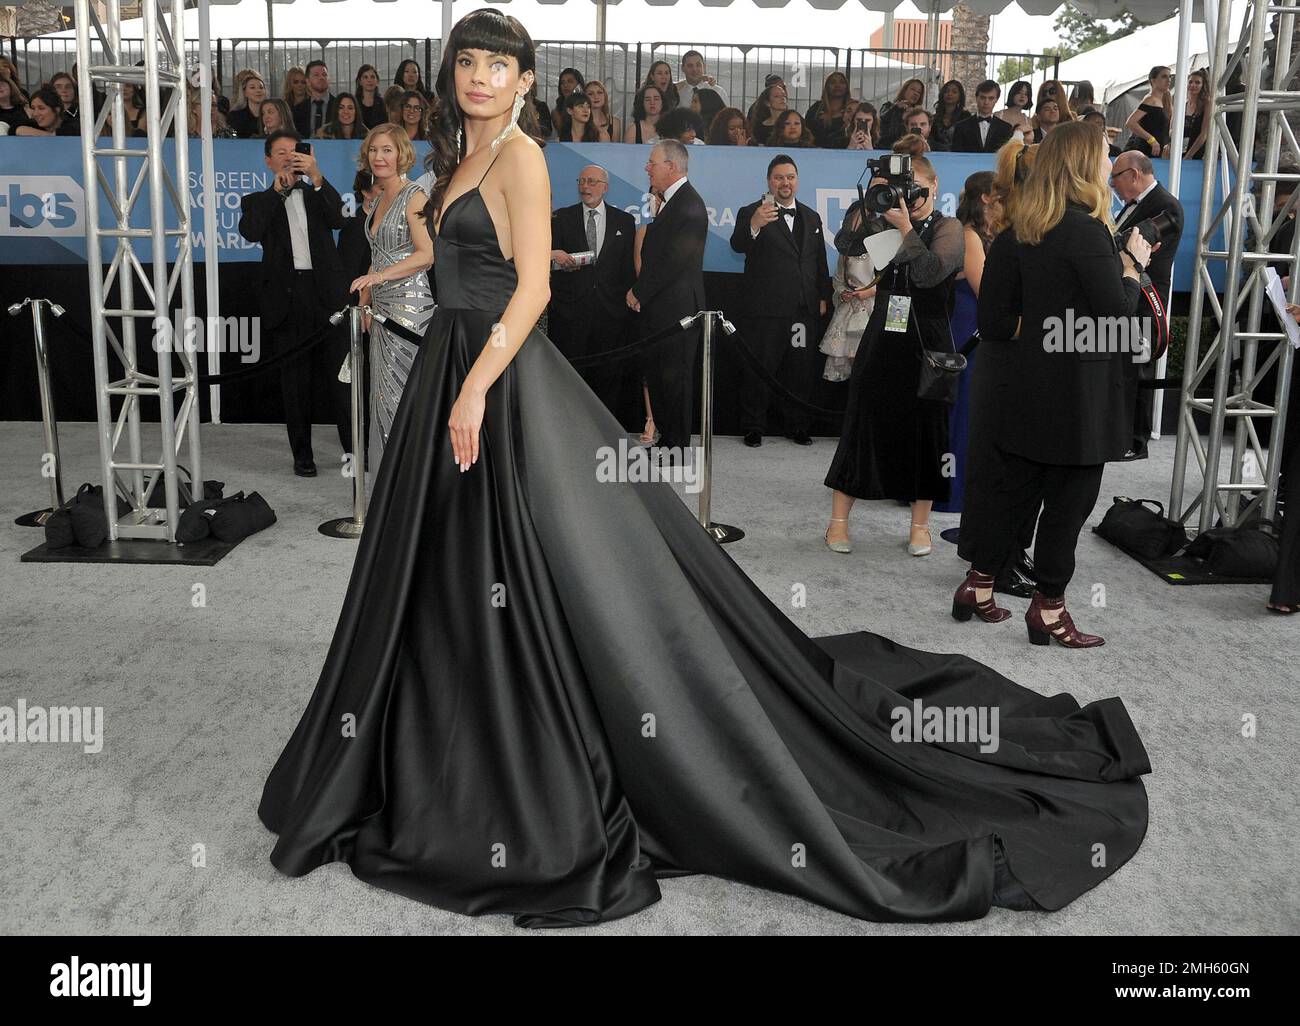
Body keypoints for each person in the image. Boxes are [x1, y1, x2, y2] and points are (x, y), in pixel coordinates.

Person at [258, 8, 1151, 930]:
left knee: (529, 562)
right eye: (468, 61)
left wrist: (476, 388)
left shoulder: (521, 156)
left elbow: (530, 288)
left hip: (495, 374)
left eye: (500, 64)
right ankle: (436, 732)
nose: (481, 76)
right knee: (448, 564)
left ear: (526, 80)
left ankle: (512, 747)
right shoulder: (459, 160)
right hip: (451, 359)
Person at [956, 121, 1151, 647]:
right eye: (1105, 155)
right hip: (1077, 398)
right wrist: (1132, 266)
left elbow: (994, 324)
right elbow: (1118, 316)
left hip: (1021, 392)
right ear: (1083, 165)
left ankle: (977, 585)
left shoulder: (1018, 230)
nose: (1111, 164)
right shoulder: (1086, 231)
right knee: (1068, 505)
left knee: (1015, 495)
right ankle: (1049, 610)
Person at [823, 155, 961, 557]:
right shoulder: (885, 216)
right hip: (884, 330)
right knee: (863, 422)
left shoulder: (948, 227)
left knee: (927, 431)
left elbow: (930, 273)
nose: (909, 196)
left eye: (916, 187)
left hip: (928, 340)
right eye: (904, 187)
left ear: (933, 187)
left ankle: (920, 527)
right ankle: (838, 522)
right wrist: (870, 206)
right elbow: (847, 245)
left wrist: (905, 230)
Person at [237, 130, 353, 476]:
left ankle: (352, 451)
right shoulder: (257, 200)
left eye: (295, 151)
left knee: (341, 378)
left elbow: (339, 220)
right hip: (286, 299)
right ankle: (303, 455)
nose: (289, 157)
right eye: (281, 152)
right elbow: (251, 231)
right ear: (268, 161)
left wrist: (317, 177)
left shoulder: (318, 192)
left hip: (327, 295)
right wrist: (277, 192)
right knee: (295, 384)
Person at [347, 124, 436, 477]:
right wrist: (367, 298)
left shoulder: (414, 196)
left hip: (409, 311)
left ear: (401, 154)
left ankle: (408, 486)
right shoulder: (379, 198)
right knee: (382, 399)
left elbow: (427, 254)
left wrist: (378, 278)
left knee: (404, 399)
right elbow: (379, 254)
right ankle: (388, 486)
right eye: (373, 150)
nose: (378, 157)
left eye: (386, 150)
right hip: (381, 311)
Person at [730, 154, 831, 447]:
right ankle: (753, 426)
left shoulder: (812, 217)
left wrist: (822, 295)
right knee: (760, 368)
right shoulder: (751, 211)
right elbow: (738, 245)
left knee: (800, 370)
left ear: (797, 180)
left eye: (789, 177)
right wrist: (754, 225)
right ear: (769, 182)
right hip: (765, 309)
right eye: (778, 177)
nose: (784, 183)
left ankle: (797, 425)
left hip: (803, 310)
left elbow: (818, 260)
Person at [627, 139, 708, 457]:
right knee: (662, 375)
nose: (647, 168)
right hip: (665, 309)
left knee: (676, 377)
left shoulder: (688, 204)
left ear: (671, 167)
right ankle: (668, 439)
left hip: (679, 310)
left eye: (652, 163)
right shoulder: (672, 203)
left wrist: (639, 292)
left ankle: (677, 444)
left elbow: (673, 260)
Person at [1109, 149, 1184, 461]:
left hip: (1145, 300)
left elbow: (1129, 243)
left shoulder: (1167, 207)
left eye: (1115, 178)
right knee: (1124, 369)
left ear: (1133, 175)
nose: (1112, 185)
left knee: (1138, 371)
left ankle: (1136, 441)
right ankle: (1120, 435)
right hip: (1127, 293)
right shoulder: (1132, 205)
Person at [548, 163, 637, 415]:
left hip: (611, 314)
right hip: (570, 313)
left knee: (608, 376)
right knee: (571, 375)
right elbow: (546, 261)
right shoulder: (561, 218)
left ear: (605, 188)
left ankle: (604, 428)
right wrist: (559, 261)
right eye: (582, 181)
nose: (585, 186)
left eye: (592, 181)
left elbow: (627, 270)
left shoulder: (625, 221)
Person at [934, 171, 995, 519]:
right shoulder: (969, 236)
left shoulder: (985, 234)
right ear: (985, 198)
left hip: (977, 331)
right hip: (966, 333)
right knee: (960, 411)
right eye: (999, 194)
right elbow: (985, 291)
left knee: (970, 412)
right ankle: (949, 492)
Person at [950, 80, 1012, 154]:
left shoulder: (1006, 128)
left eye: (991, 98)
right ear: (976, 98)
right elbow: (956, 155)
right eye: (982, 98)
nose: (986, 102)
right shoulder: (961, 127)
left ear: (996, 99)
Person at [1124, 66, 1173, 157]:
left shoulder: (1166, 100)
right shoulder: (1150, 99)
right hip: (1144, 150)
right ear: (1153, 80)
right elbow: (1130, 122)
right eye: (1164, 77)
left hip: (1158, 151)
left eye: (1170, 77)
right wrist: (1152, 140)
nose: (1168, 80)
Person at [804, 72, 852, 148]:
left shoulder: (853, 108)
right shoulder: (816, 109)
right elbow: (806, 132)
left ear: (847, 87)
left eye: (842, 82)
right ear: (827, 87)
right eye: (833, 82)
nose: (837, 85)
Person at [292, 60, 338, 139]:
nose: (321, 78)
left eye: (324, 75)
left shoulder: (338, 106)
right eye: (316, 75)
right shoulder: (298, 109)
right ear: (308, 81)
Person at [14, 86, 79, 137]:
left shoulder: (73, 124)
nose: (35, 113)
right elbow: (16, 129)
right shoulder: (34, 124)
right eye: (33, 109)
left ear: (57, 110)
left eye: (41, 108)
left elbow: (72, 130)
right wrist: (49, 135)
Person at [878, 78, 924, 148]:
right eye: (913, 89)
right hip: (886, 147)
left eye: (919, 92)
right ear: (904, 90)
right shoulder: (889, 106)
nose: (916, 94)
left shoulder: (918, 114)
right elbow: (882, 119)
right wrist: (896, 108)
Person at [930, 79, 969, 152]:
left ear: (960, 96)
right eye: (946, 91)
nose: (949, 94)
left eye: (954, 92)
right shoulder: (934, 118)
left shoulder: (965, 117)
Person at [227, 73, 266, 138]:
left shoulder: (272, 114)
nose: (258, 90)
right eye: (252, 87)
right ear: (244, 92)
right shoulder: (235, 116)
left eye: (261, 87)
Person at [1183, 67, 1210, 159]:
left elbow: (1204, 134)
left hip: (1197, 154)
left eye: (1197, 82)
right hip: (1179, 150)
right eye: (1190, 82)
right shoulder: (1183, 105)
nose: (1193, 85)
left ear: (1203, 85)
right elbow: (1171, 129)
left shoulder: (1207, 105)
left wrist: (1189, 155)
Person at [354, 65, 389, 129]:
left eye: (372, 77)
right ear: (360, 82)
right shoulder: (354, 102)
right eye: (365, 77)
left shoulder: (383, 103)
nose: (369, 80)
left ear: (377, 81)